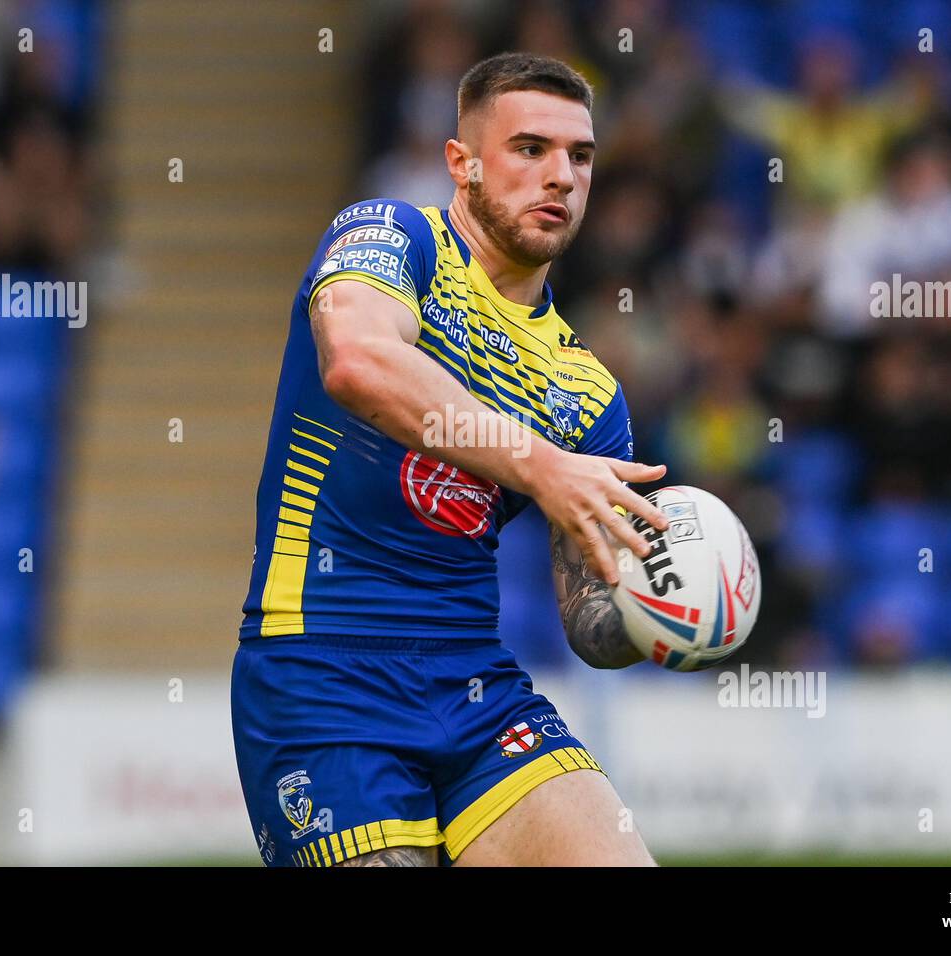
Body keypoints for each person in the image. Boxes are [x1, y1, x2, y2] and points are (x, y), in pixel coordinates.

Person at [232, 52, 670, 867]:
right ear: (461, 163)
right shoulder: (393, 239)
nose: (561, 177)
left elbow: (589, 624)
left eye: (580, 156)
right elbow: (359, 364)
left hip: (476, 689)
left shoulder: (589, 391)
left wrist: (668, 595)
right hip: (322, 672)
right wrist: (537, 463)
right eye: (530, 149)